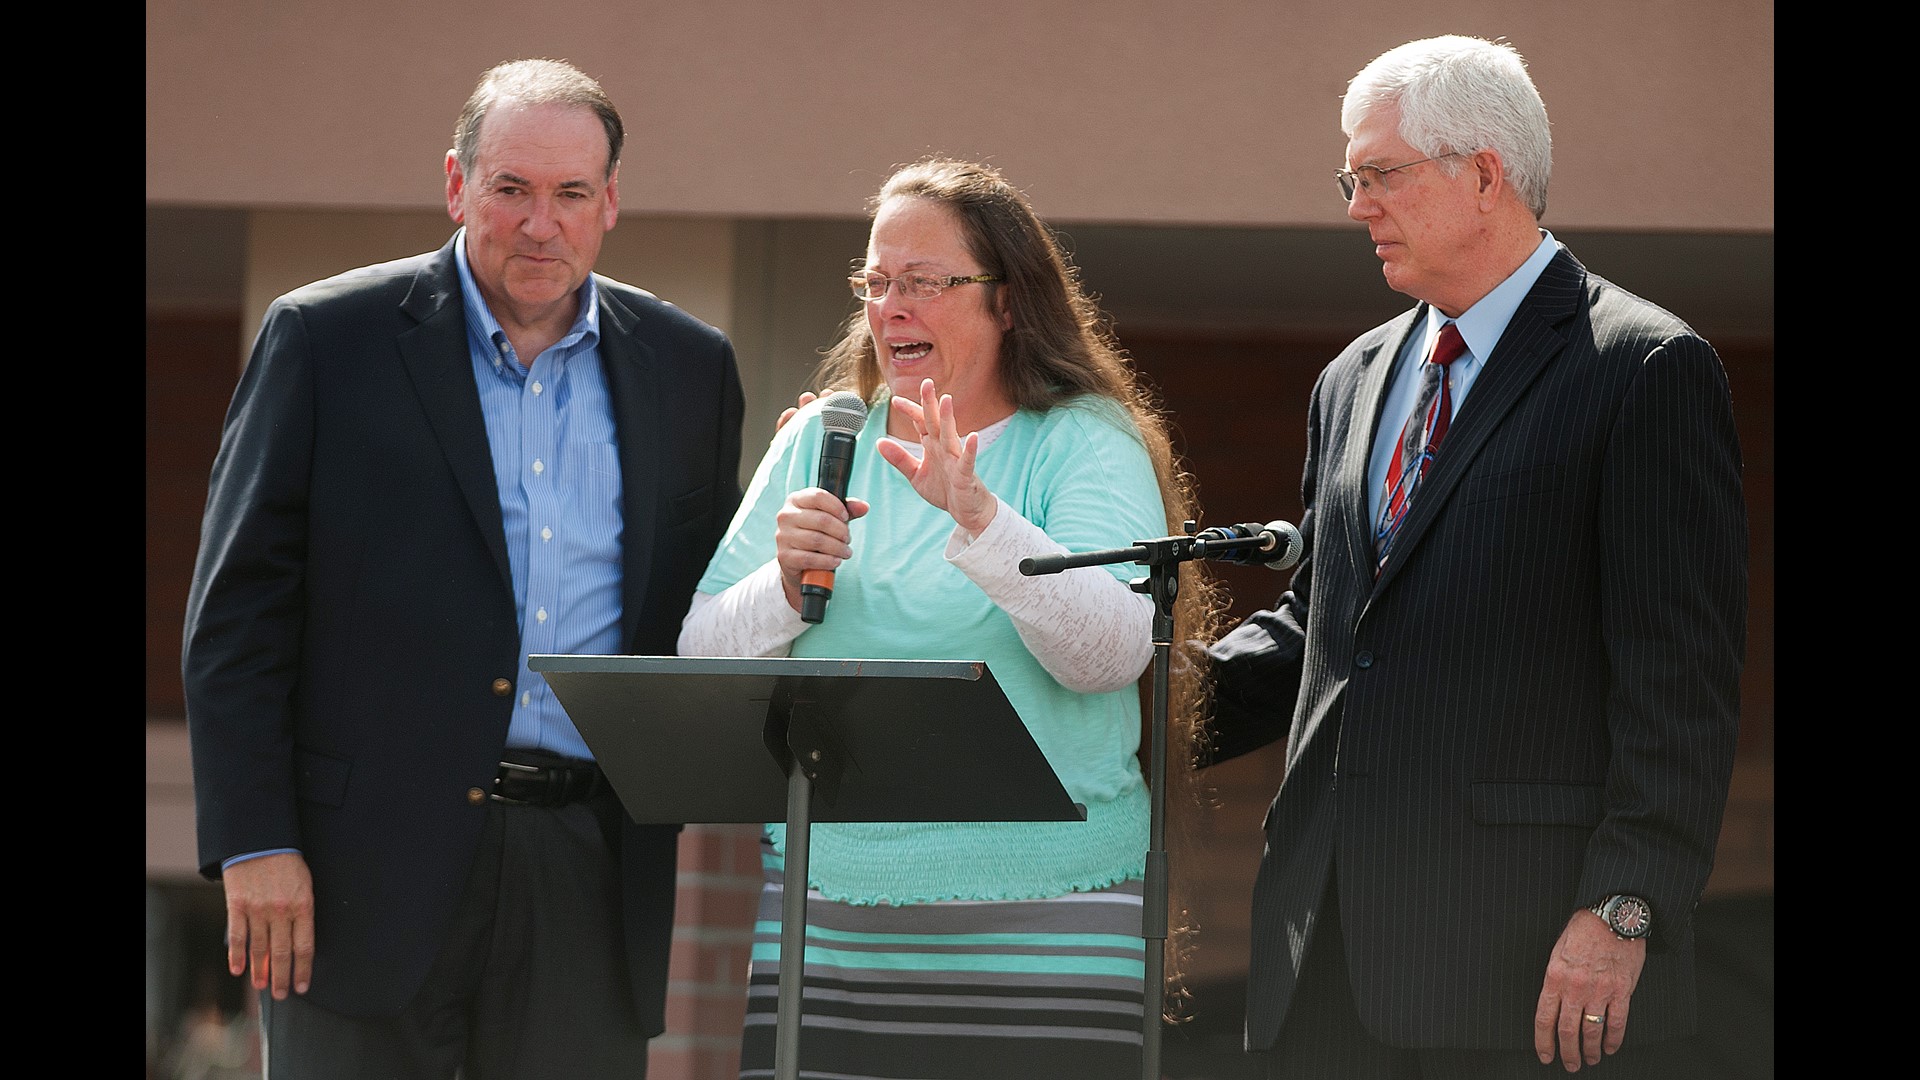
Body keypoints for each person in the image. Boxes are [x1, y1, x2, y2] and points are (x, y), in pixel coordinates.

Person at [182, 58, 745, 1078]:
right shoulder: (326, 341)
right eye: (512, 189)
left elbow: (708, 606)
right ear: (457, 185)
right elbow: (238, 616)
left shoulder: (690, 369)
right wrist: (255, 839)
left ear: (610, 201)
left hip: (586, 867)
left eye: (572, 193)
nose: (542, 223)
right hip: (359, 873)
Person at [1202, 35, 1748, 1078]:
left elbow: (1678, 686)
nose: (1357, 204)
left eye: (1379, 174)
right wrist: (1120, 710)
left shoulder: (1644, 367)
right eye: (1350, 178)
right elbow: (1320, 628)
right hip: (1320, 953)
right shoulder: (1351, 377)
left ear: (1484, 173)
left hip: (1526, 966)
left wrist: (1622, 909)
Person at [678, 156, 1222, 1079]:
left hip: (1047, 916)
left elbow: (1112, 650)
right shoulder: (827, 437)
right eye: (876, 281)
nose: (891, 307)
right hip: (833, 916)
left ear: (1008, 302)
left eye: (924, 283)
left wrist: (979, 518)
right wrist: (782, 580)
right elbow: (703, 653)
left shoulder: (1083, 440)